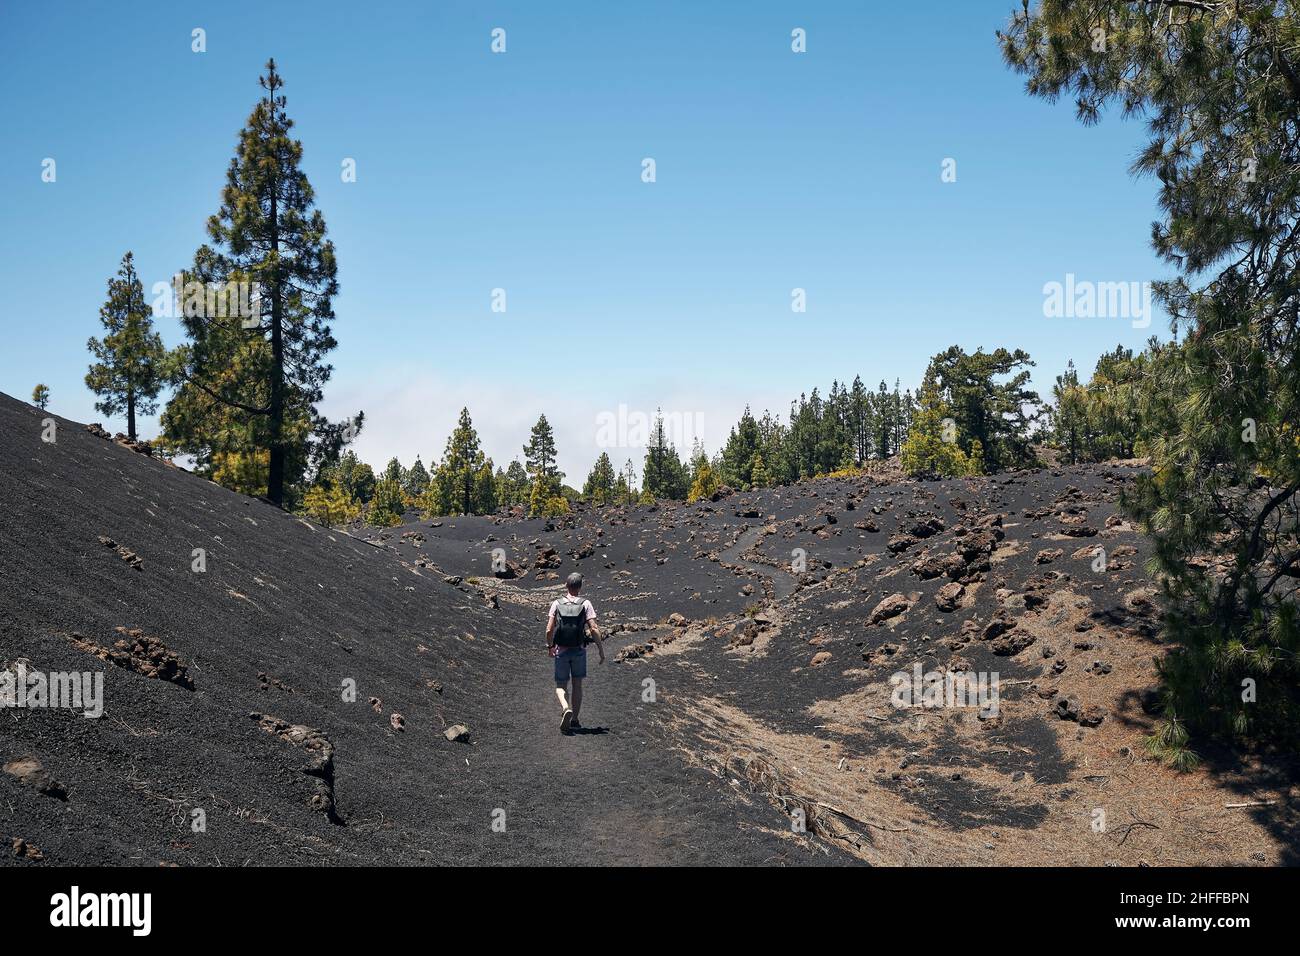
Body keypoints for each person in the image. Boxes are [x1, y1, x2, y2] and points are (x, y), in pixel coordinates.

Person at [546, 572, 603, 733]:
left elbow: (549, 629)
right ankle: (575, 719)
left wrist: (550, 646)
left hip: (561, 650)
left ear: (566, 585)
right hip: (579, 650)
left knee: (560, 685)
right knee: (577, 684)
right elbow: (593, 628)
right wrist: (600, 650)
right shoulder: (586, 604)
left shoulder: (556, 603)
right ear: (580, 587)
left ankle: (565, 708)